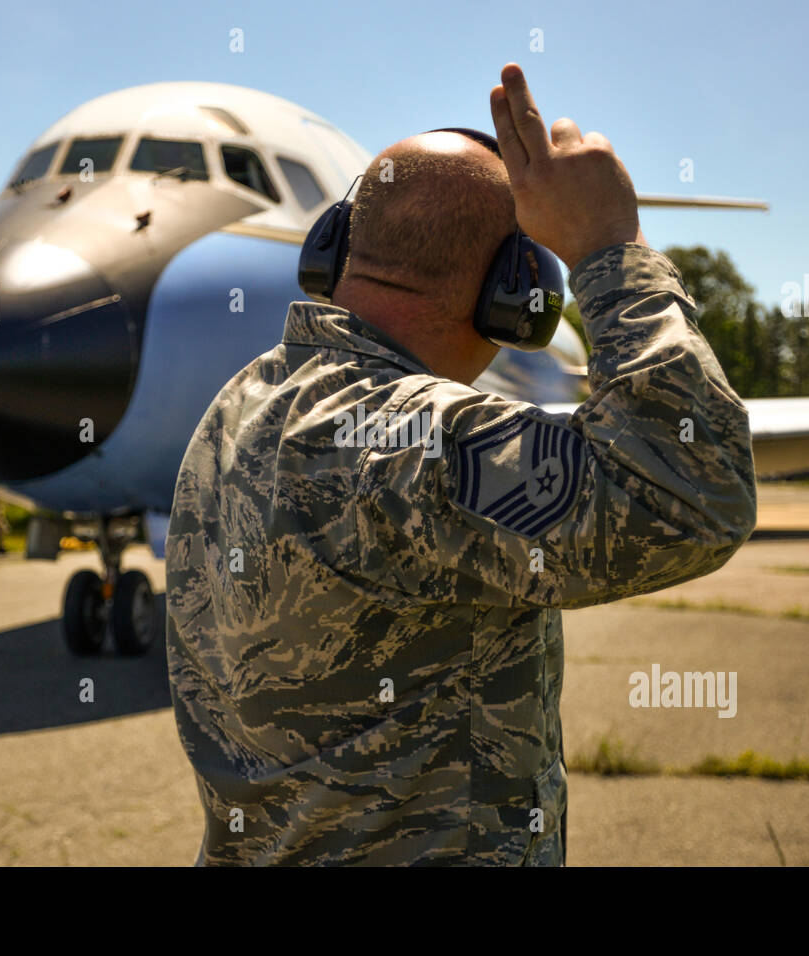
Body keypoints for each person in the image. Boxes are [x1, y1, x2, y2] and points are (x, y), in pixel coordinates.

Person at [164, 63, 757, 865]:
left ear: (331, 248)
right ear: (520, 294)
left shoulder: (243, 403)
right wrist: (615, 251)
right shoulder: (417, 441)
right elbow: (694, 496)